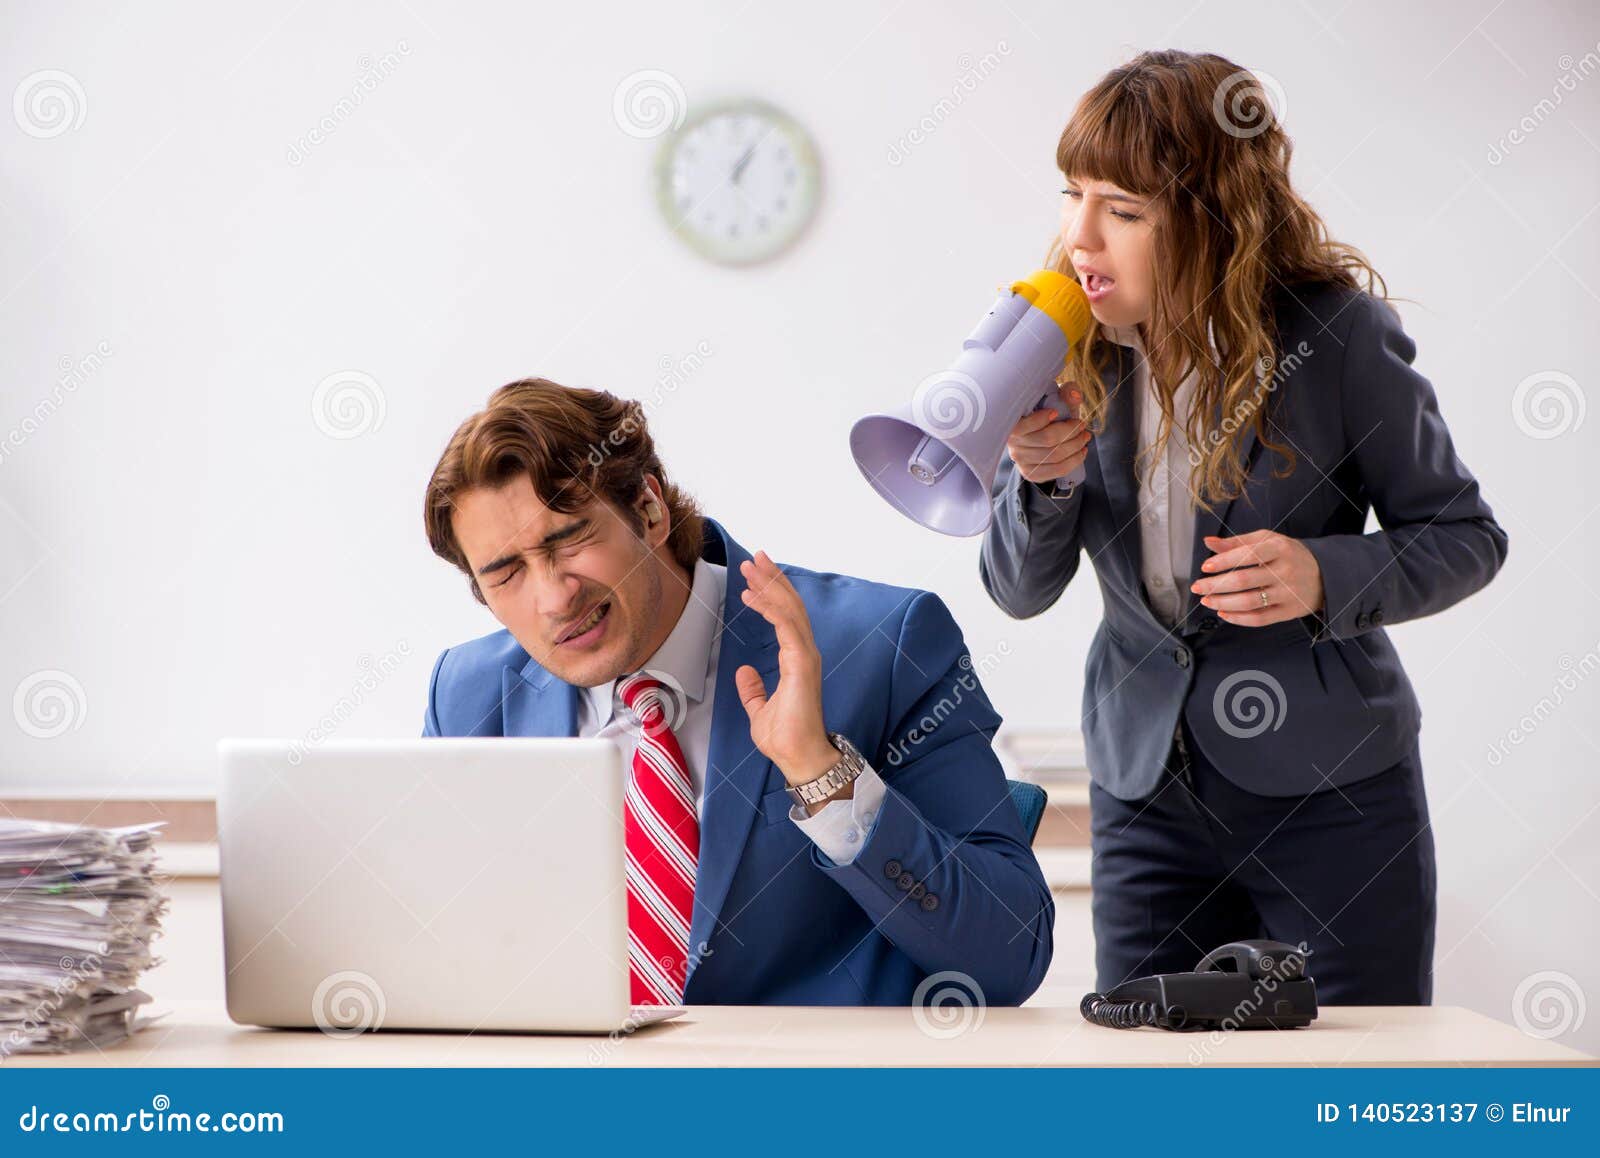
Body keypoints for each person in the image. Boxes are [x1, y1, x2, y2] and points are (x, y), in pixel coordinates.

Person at [980, 50, 1507, 1004]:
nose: (1081, 237)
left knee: (1358, 1077)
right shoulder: (1059, 342)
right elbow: (1018, 590)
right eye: (1074, 195)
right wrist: (1040, 481)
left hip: (1336, 795)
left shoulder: (1338, 337)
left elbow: (1466, 534)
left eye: (1125, 211)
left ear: (1212, 218)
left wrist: (1324, 575)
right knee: (1151, 1087)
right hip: (1145, 795)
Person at [423, 378, 1053, 1006]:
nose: (554, 597)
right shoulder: (468, 699)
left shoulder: (882, 647)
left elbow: (1010, 956)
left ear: (648, 508)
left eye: (569, 540)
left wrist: (823, 775)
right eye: (506, 575)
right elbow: (435, 952)